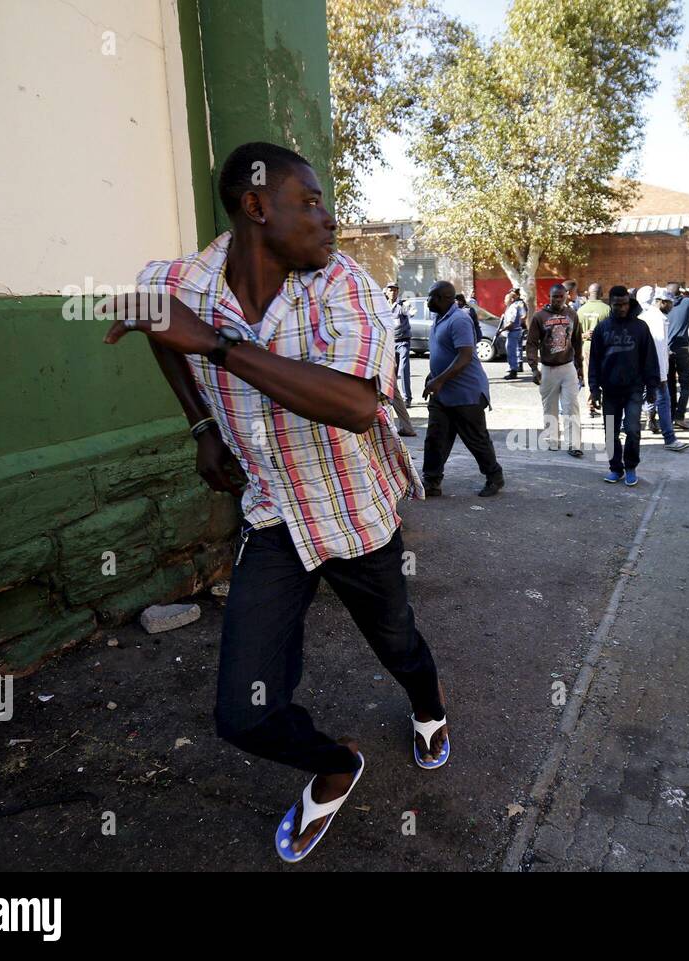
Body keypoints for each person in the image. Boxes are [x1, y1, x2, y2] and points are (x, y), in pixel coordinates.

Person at [105, 141, 447, 864]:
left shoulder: (344, 286)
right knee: (244, 713)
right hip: (273, 515)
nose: (330, 218)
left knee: (399, 644)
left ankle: (427, 707)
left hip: (355, 511)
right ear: (256, 207)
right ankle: (333, 762)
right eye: (311, 202)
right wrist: (200, 423)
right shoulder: (188, 281)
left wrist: (220, 348)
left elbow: (356, 404)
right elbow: (147, 310)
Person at [423, 280, 504, 497]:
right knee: (435, 437)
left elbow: (465, 356)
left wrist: (439, 380)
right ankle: (431, 481)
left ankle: (494, 476)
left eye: (431, 296)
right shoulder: (438, 318)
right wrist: (433, 377)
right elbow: (443, 352)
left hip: (466, 393)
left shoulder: (459, 319)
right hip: (442, 392)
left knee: (475, 439)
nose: (427, 300)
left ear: (444, 298)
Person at [588, 285, 660, 486]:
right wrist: (594, 389)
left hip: (634, 389)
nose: (621, 308)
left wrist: (652, 387)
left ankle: (630, 467)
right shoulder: (602, 328)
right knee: (610, 430)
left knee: (632, 429)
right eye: (617, 304)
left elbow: (650, 359)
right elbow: (594, 360)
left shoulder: (640, 327)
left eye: (624, 304)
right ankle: (615, 468)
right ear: (610, 304)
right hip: (610, 390)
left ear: (629, 303)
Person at [526, 283, 585, 458]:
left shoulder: (572, 314)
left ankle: (574, 444)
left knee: (571, 406)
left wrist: (580, 366)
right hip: (548, 368)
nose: (557, 300)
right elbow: (531, 343)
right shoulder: (539, 317)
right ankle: (552, 441)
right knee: (549, 407)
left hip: (567, 367)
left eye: (560, 296)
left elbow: (577, 342)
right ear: (549, 297)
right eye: (554, 297)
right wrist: (533, 368)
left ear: (566, 296)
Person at [643, 288, 689, 451]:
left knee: (639, 400)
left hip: (646, 369)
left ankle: (625, 428)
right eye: (670, 303)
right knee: (663, 402)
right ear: (662, 302)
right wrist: (662, 375)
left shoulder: (648, 316)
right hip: (655, 370)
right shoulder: (657, 320)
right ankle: (669, 439)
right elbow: (657, 348)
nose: (672, 307)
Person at [383, 282, 417, 437]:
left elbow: (410, 311)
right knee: (392, 381)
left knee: (403, 371)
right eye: (390, 290)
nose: (393, 292)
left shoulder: (402, 305)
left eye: (395, 290)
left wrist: (410, 309)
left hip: (402, 341)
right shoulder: (383, 305)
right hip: (388, 345)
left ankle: (407, 397)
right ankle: (404, 425)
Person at [664, 282, 689, 430]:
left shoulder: (663, 306)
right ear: (680, 291)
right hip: (682, 348)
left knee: (669, 385)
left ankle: (670, 417)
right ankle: (680, 416)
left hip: (667, 350)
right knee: (685, 384)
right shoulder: (688, 302)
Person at [499, 287, 528, 380]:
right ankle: (515, 367)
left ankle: (514, 370)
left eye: (506, 299)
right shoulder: (511, 306)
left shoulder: (517, 305)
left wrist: (503, 329)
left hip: (515, 330)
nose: (504, 301)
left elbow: (519, 318)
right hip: (515, 330)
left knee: (513, 351)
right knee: (513, 350)